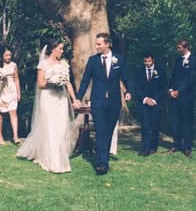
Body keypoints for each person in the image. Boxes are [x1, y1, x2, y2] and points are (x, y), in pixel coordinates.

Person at [17, 41, 80, 173]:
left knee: (62, 127)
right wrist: (53, 82)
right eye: (60, 49)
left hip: (61, 99)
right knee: (51, 127)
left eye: (62, 49)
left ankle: (60, 156)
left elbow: (68, 83)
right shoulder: (43, 64)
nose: (62, 51)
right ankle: (52, 161)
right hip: (48, 98)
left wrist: (74, 99)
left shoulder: (64, 64)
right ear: (53, 49)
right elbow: (40, 84)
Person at [75, 33, 131, 175]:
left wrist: (128, 92)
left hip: (114, 102)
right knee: (100, 131)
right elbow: (85, 81)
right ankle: (101, 163)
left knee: (108, 132)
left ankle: (103, 158)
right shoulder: (93, 61)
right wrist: (78, 98)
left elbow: (126, 77)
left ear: (108, 44)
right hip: (98, 102)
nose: (97, 46)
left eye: (99, 44)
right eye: (97, 44)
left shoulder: (119, 59)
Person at [167, 38, 196, 158]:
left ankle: (187, 147)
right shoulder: (177, 60)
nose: (177, 49)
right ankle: (176, 144)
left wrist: (179, 91)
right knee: (176, 121)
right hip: (174, 96)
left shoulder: (194, 60)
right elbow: (173, 76)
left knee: (186, 122)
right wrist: (170, 90)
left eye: (179, 48)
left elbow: (192, 80)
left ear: (185, 47)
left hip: (186, 97)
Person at [133, 52, 167, 156]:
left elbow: (164, 87)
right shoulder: (139, 71)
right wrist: (145, 99)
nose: (147, 63)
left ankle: (153, 147)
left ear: (153, 60)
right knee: (145, 126)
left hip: (156, 103)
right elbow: (136, 87)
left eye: (149, 61)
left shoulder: (160, 70)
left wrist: (154, 99)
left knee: (155, 125)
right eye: (145, 61)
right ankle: (144, 148)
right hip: (144, 102)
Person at [0, 48, 21, 145]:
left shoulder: (14, 65)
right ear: (2, 56)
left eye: (10, 55)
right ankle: (0, 136)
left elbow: (16, 79)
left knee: (13, 112)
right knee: (0, 114)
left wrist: (18, 92)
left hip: (11, 91)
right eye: (6, 55)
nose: (9, 57)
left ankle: (15, 136)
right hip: (0, 91)